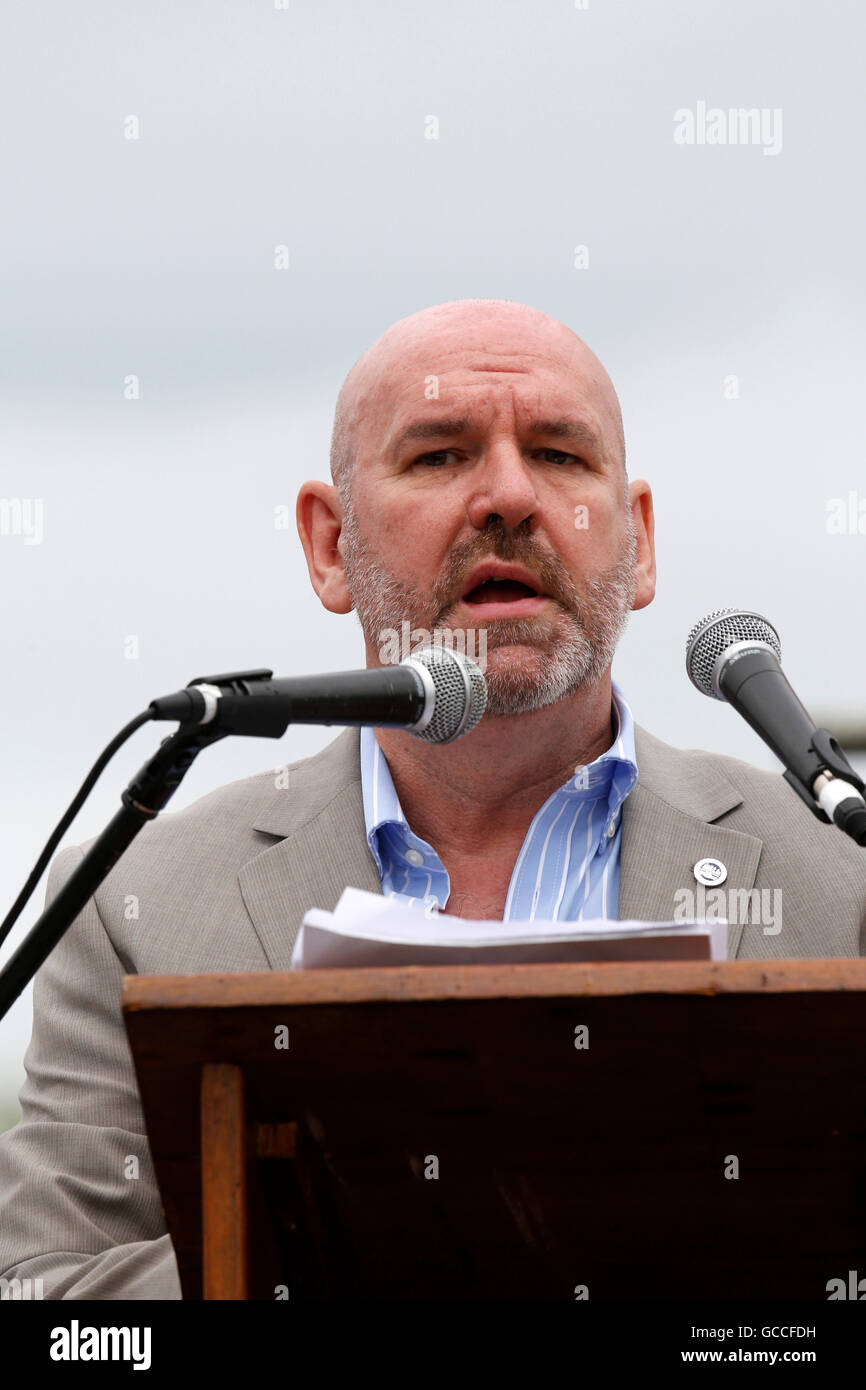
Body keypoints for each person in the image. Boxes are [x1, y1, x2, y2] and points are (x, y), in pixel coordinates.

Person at [1, 299, 864, 1300]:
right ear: (330, 546)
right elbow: (48, 1302)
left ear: (637, 541)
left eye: (557, 453)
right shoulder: (135, 901)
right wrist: (329, 1245)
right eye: (438, 457)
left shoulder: (836, 880)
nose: (506, 496)